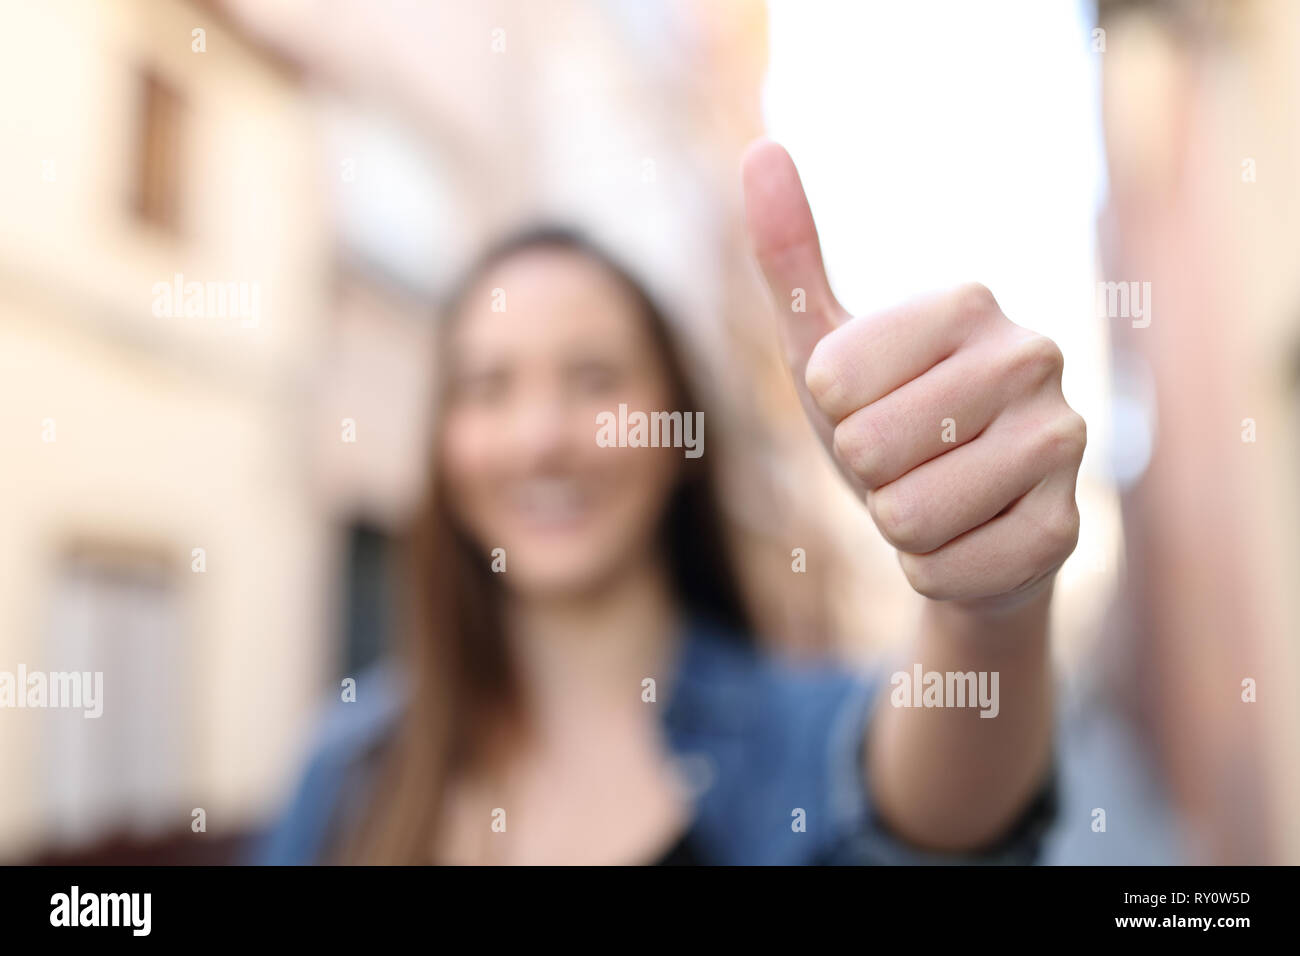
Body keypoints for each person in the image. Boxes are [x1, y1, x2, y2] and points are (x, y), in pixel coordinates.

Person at [254, 141, 1084, 865]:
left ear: (679, 434)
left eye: (595, 379)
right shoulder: (346, 768)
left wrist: (989, 607)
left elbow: (945, 821)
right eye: (488, 387)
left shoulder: (797, 741)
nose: (541, 437)